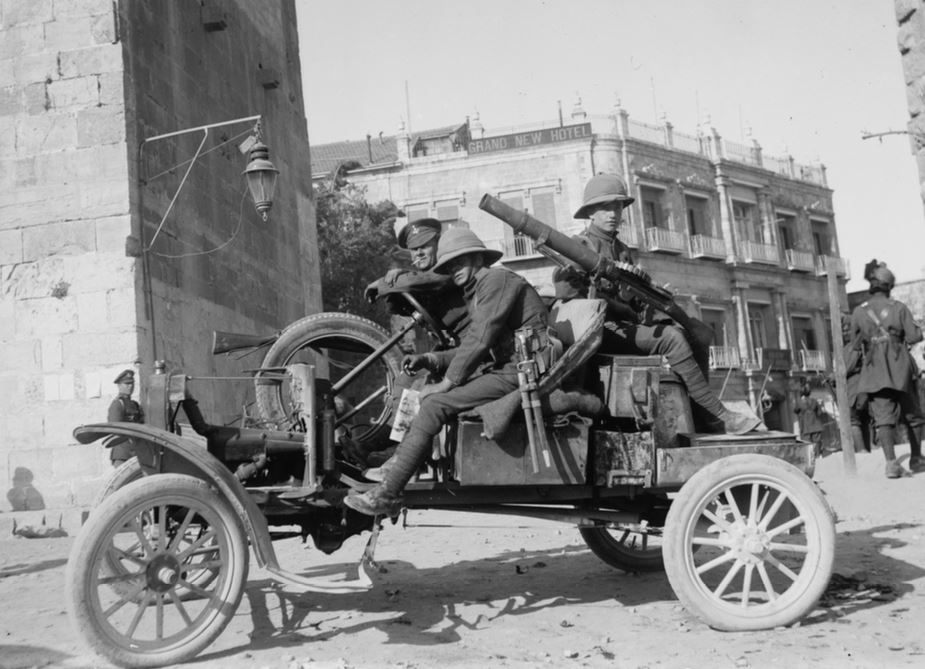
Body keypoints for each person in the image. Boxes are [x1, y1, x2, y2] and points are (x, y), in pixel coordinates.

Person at [344, 228, 549, 515]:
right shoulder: (478, 290)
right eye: (449, 266)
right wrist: (430, 358)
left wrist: (445, 383)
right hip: (507, 368)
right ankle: (396, 460)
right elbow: (477, 346)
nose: (454, 270)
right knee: (423, 393)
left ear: (478, 257)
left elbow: (480, 339)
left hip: (522, 372)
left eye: (459, 262)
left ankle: (389, 494)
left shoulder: (496, 280)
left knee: (434, 403)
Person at [554, 173, 761, 435]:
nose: (613, 214)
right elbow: (565, 290)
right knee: (672, 338)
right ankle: (718, 414)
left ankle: (703, 417)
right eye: (605, 207)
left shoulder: (622, 249)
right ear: (591, 213)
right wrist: (615, 301)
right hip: (596, 332)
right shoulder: (579, 246)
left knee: (696, 335)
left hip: (622, 326)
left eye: (617, 207)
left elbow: (636, 303)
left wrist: (638, 301)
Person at [849, 260, 925, 478]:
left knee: (883, 419)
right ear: (889, 286)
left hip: (874, 370)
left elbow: (854, 343)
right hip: (899, 366)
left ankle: (891, 463)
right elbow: (913, 336)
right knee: (913, 415)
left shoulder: (859, 312)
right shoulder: (899, 308)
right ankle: (917, 459)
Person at [106, 369, 144, 467]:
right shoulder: (118, 404)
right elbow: (114, 429)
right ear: (119, 386)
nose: (130, 386)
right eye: (126, 384)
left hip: (136, 452)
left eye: (132, 383)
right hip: (123, 453)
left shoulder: (134, 404)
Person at [795, 385, 826, 456]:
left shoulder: (799, 402)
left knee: (807, 444)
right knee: (817, 442)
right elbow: (820, 412)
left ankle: (811, 457)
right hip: (816, 425)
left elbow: (796, 410)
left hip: (806, 427)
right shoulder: (814, 401)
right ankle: (819, 456)